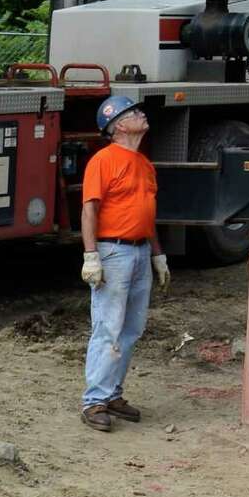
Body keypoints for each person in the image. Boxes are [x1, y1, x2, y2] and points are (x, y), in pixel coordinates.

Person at [79, 94, 170, 432]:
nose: (141, 114)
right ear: (118, 126)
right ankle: (95, 401)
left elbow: (148, 212)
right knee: (108, 327)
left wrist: (157, 254)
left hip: (139, 251)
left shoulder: (144, 164)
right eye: (133, 112)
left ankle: (112, 393)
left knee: (131, 328)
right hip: (113, 252)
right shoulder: (104, 161)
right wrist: (91, 255)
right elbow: (90, 209)